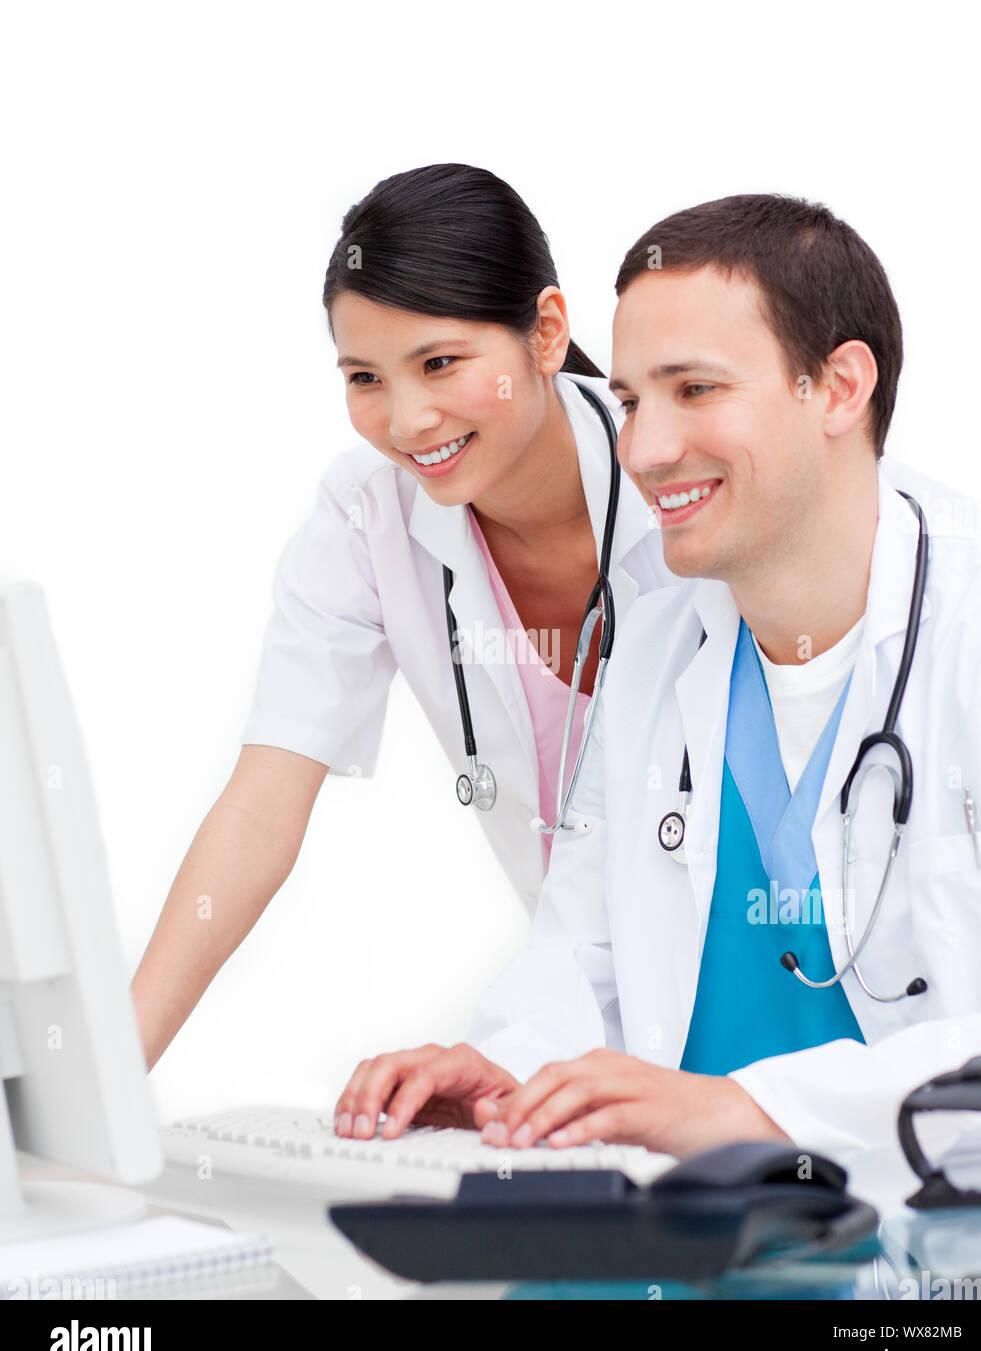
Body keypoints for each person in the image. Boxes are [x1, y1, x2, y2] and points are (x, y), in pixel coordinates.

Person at [334, 193, 981, 1162]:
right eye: (628, 400)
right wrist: (507, 1072)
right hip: (693, 1239)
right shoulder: (656, 650)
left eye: (693, 390)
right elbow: (578, 959)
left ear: (838, 386)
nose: (643, 449)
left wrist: (747, 1107)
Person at [130, 163, 677, 1072]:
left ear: (546, 333)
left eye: (440, 363)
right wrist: (110, 1075)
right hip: (573, 1017)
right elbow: (263, 803)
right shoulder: (365, 518)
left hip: (762, 997)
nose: (407, 418)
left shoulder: (681, 491)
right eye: (364, 377)